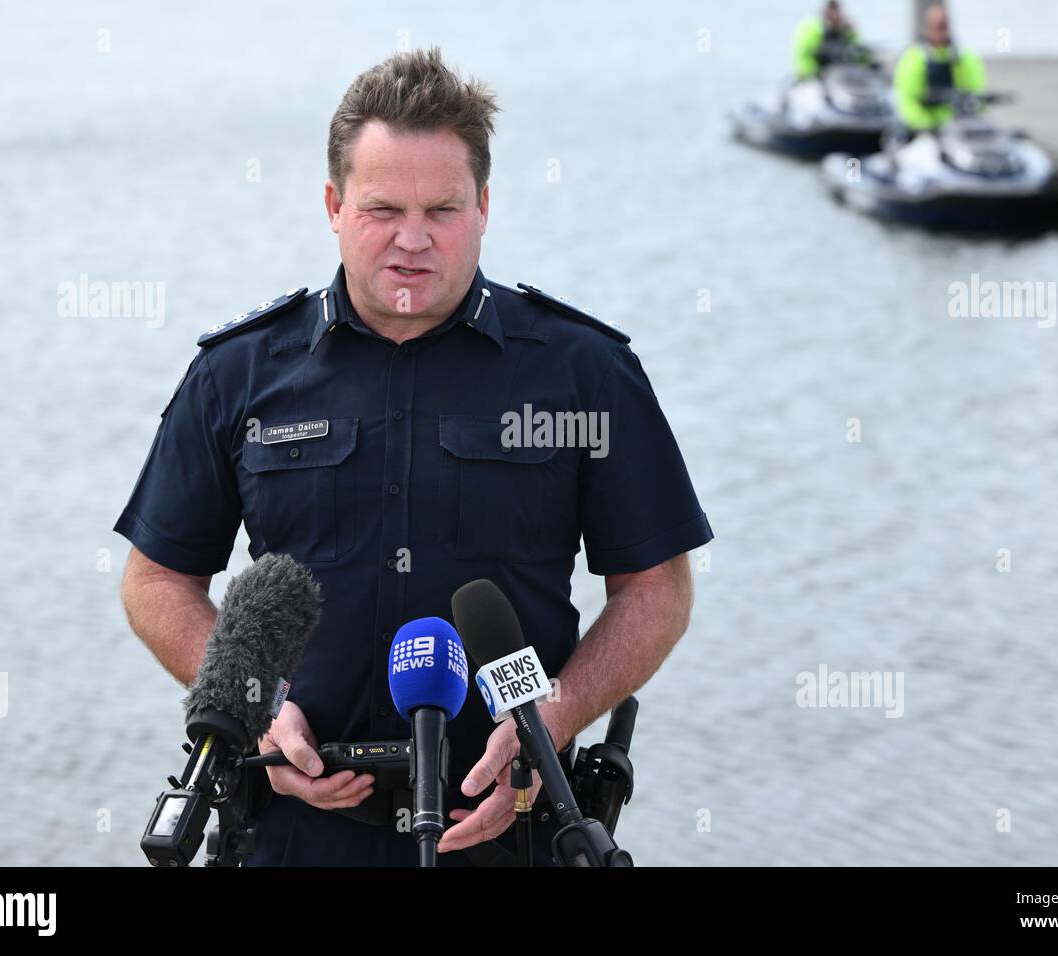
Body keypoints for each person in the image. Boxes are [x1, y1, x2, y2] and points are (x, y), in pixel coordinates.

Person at [112, 47, 713, 866]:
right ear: (332, 204)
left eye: (444, 209)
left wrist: (556, 719)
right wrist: (257, 705)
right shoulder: (236, 375)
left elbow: (656, 590)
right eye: (382, 208)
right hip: (291, 834)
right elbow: (156, 580)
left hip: (513, 830)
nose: (412, 240)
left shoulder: (583, 373)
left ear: (486, 205)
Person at [892, 3, 987, 134]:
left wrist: (969, 118)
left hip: (959, 127)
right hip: (925, 131)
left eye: (944, 26)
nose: (941, 32)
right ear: (927, 28)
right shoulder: (912, 59)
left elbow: (978, 94)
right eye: (937, 27)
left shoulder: (966, 58)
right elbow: (906, 102)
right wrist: (928, 126)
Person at [791, 1, 868, 79]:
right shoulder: (813, 28)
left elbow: (859, 50)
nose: (835, 15)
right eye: (832, 11)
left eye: (837, 12)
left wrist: (849, 32)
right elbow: (809, 51)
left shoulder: (845, 29)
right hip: (812, 76)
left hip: (839, 76)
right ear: (826, 12)